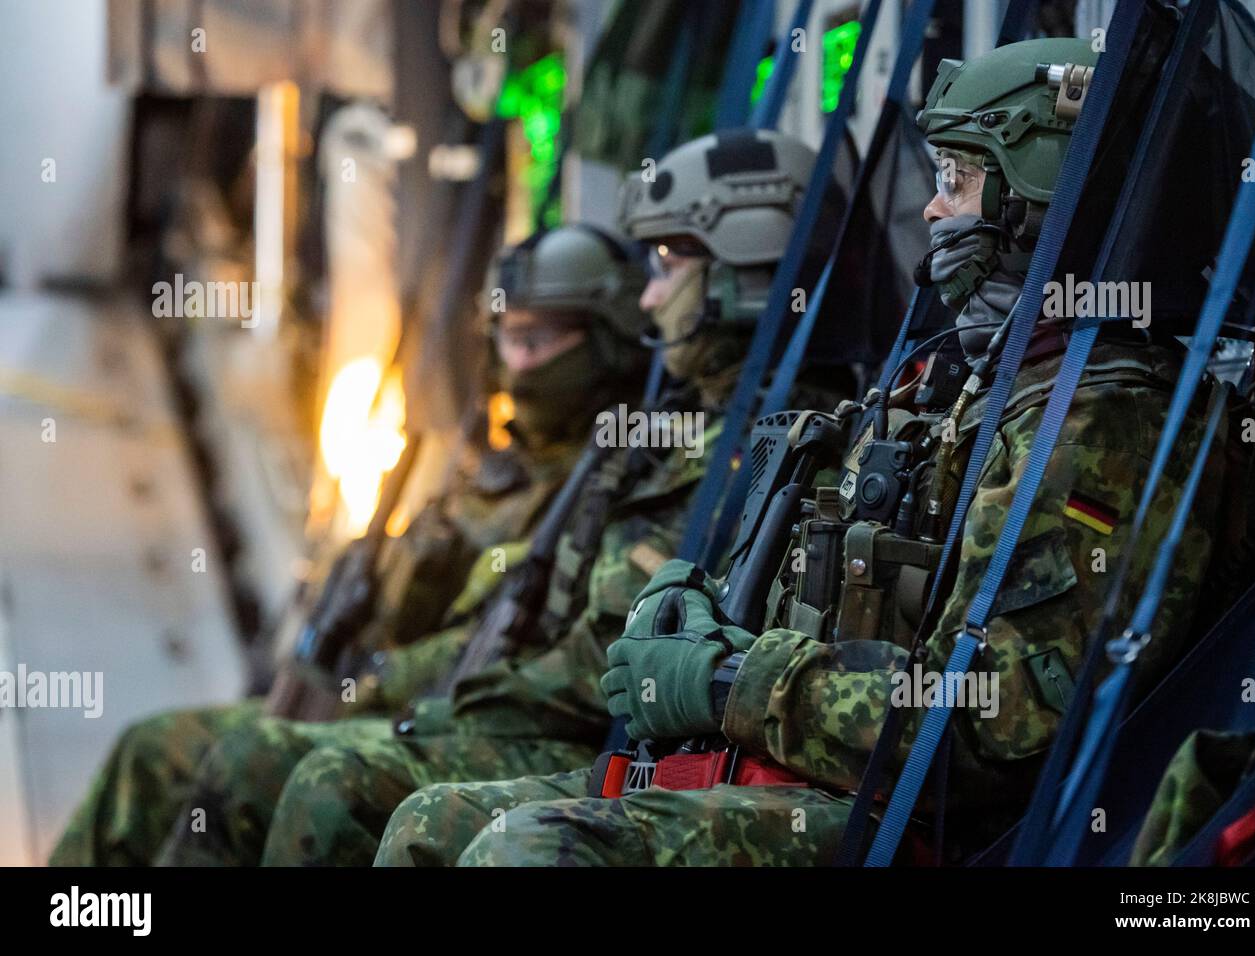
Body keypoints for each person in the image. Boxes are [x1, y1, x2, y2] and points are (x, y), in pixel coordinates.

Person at [374, 37, 1243, 868]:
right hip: (829, 776)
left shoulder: (1105, 422)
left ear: (1042, 195)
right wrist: (712, 618)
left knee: (529, 849)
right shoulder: (973, 384)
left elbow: (993, 724)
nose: (934, 208)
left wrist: (727, 681)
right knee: (431, 823)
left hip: (934, 823)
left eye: (958, 178)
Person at [235, 127, 860, 867]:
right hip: (562, 716)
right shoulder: (668, 429)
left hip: (614, 734)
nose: (651, 296)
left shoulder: (782, 448)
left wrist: (440, 699)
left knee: (340, 783)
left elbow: (612, 655)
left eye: (669, 263)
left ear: (744, 268)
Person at [49, 222, 648, 866]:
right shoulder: (489, 468)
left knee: (269, 770)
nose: (518, 363)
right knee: (152, 748)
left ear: (607, 342)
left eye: (539, 340)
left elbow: (550, 649)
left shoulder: (612, 482)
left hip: (470, 715)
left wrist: (383, 681)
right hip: (387, 693)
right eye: (508, 337)